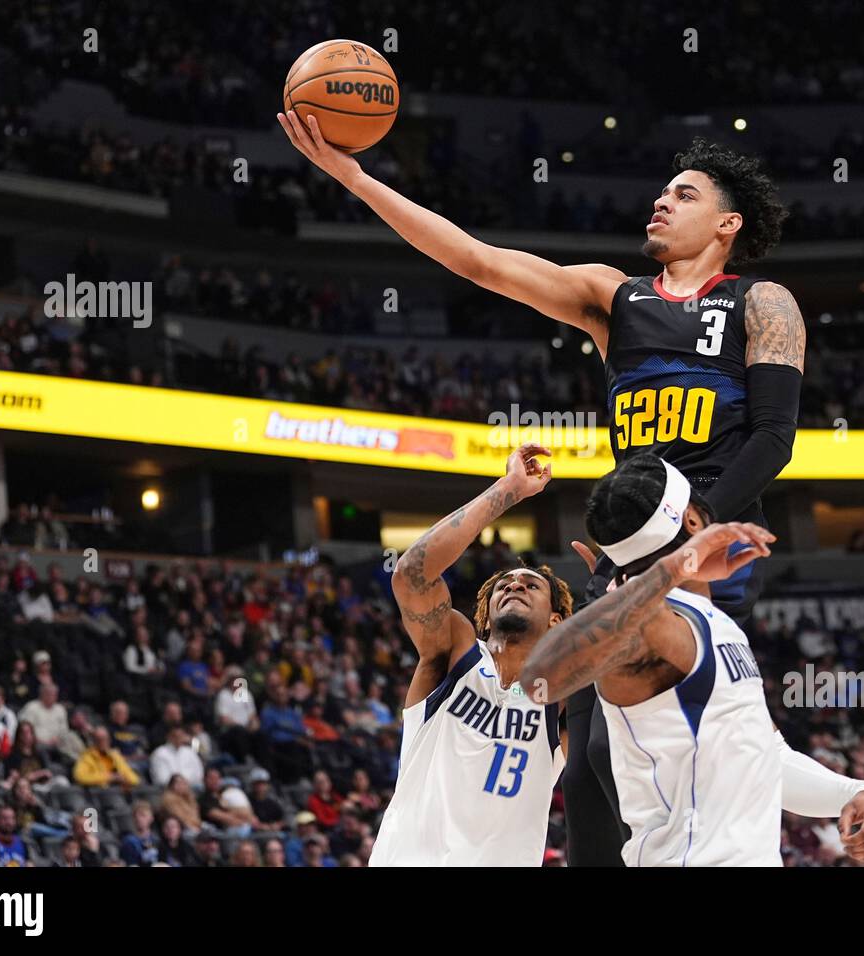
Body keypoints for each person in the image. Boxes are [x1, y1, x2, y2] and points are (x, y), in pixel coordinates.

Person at [280, 117, 804, 865]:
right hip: (627, 554)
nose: (659, 203)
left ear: (728, 222)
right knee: (590, 757)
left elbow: (775, 438)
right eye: (660, 191)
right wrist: (355, 179)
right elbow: (477, 262)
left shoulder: (762, 302)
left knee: (688, 758)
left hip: (710, 554)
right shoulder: (612, 298)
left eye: (682, 194)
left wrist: (705, 521)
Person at [522, 455, 864, 866]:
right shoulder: (654, 625)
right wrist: (664, 572)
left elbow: (764, 755)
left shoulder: (707, 622)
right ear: (694, 521)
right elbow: (540, 677)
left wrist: (854, 792)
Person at [368, 445, 568, 867]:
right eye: (504, 584)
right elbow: (412, 575)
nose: (514, 585)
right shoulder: (455, 652)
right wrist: (508, 489)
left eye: (532, 585)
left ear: (555, 620)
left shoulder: (562, 697)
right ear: (485, 610)